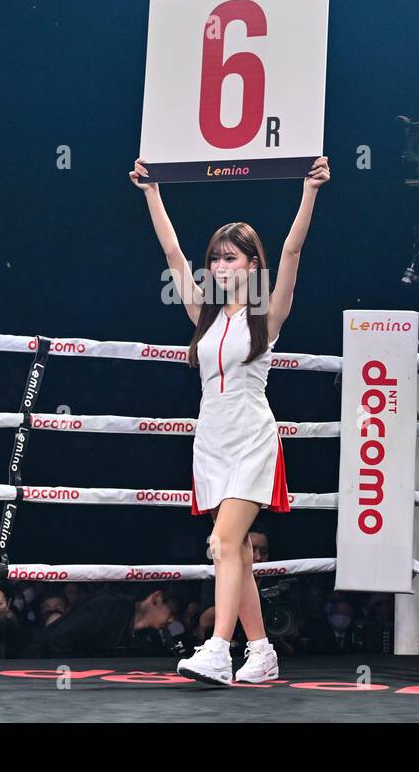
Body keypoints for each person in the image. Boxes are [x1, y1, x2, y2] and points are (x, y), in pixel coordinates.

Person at [130, 153, 330, 684]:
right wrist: (152, 192)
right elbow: (172, 250)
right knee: (234, 548)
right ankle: (261, 651)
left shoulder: (270, 312)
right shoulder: (204, 312)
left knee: (222, 543)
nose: (221, 265)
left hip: (251, 436)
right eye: (217, 257)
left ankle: (219, 647)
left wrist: (309, 189)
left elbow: (291, 249)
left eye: (233, 257)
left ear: (251, 265)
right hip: (210, 439)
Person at [34, 585, 181, 658]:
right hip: (42, 673)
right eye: (172, 611)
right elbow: (59, 640)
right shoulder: (108, 607)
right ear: (157, 597)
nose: (172, 619)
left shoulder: (150, 637)